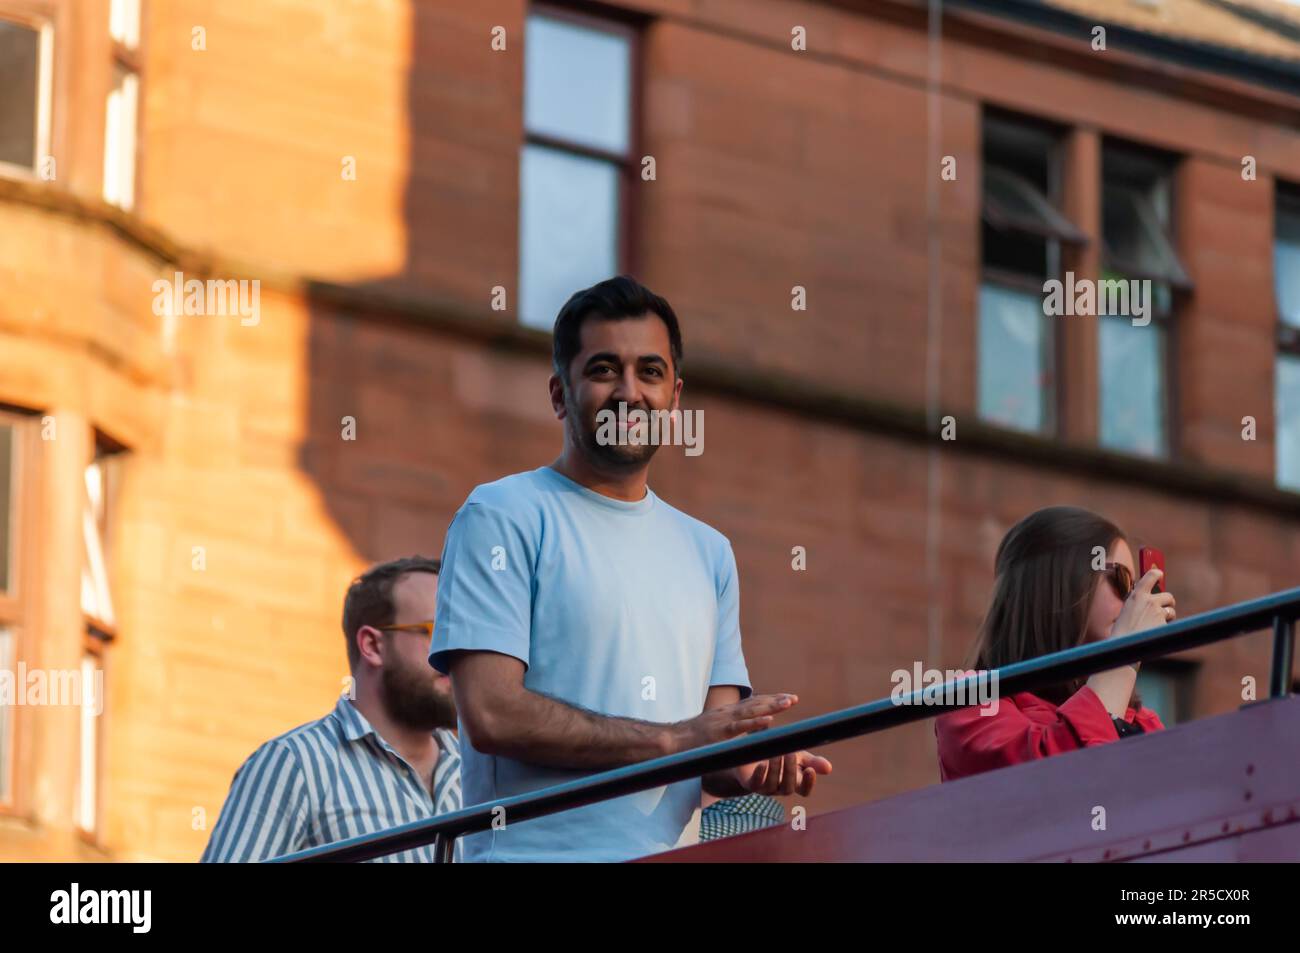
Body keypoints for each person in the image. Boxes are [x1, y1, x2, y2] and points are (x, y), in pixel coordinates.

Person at [430, 275, 831, 862]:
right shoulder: (502, 513)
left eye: (649, 371)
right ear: (559, 395)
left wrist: (754, 764)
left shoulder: (709, 551)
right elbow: (492, 713)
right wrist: (674, 738)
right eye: (602, 370)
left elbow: (709, 741)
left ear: (675, 396)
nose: (629, 393)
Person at [202, 556, 460, 861]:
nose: (453, 650)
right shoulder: (295, 764)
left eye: (460, 632)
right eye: (435, 631)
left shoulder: (478, 772)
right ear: (372, 646)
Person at [936, 506, 1175, 782]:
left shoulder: (1144, 720)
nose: (1135, 601)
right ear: (1059, 584)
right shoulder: (970, 700)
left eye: (1137, 589)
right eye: (1122, 581)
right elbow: (1056, 783)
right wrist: (1124, 656)